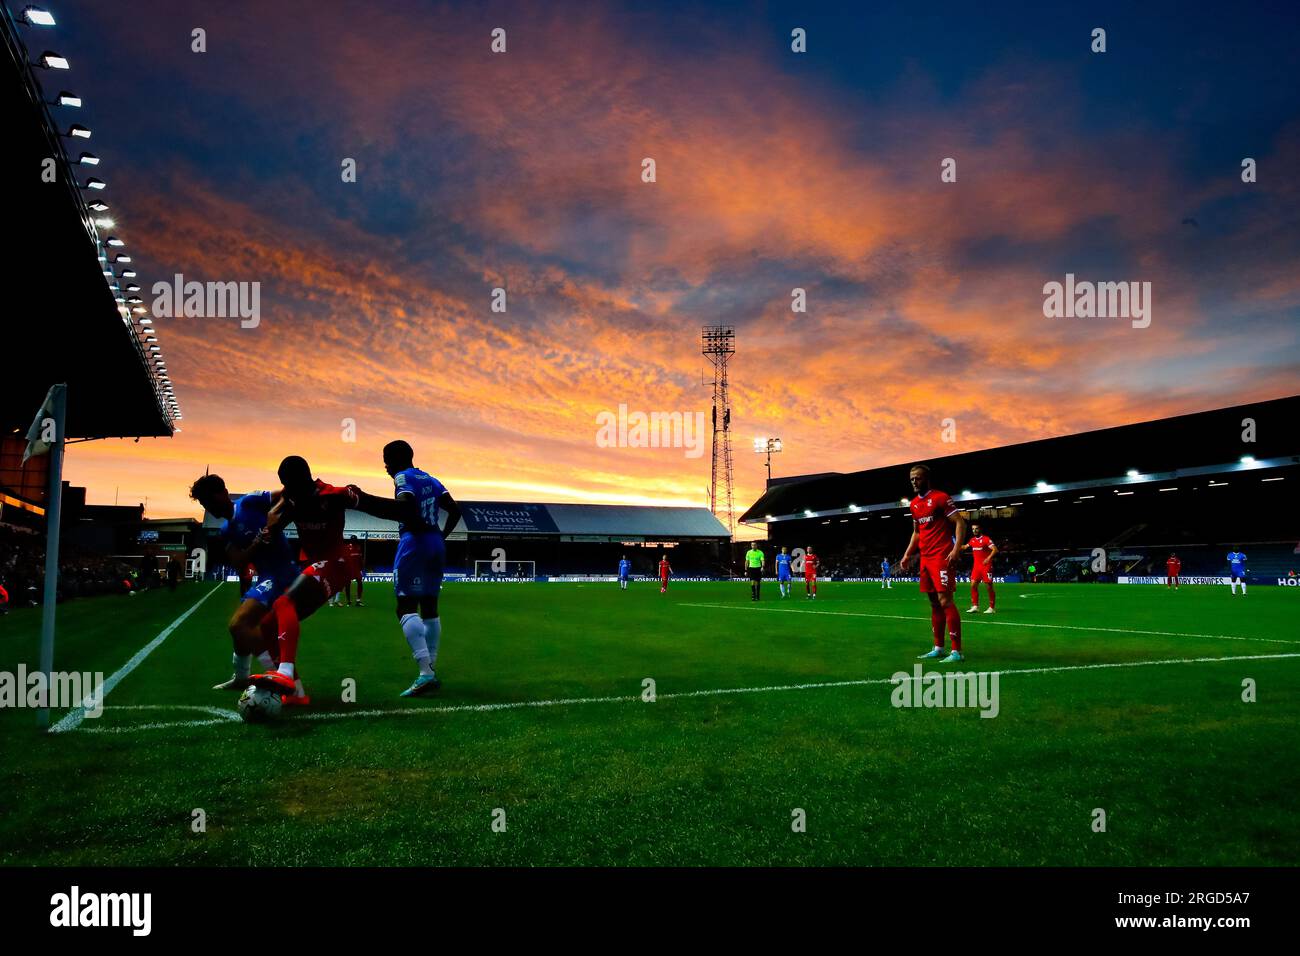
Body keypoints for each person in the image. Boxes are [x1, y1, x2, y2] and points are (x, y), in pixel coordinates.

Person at [349, 440, 462, 697]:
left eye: (386, 460)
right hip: (435, 542)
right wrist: (441, 535)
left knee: (406, 606)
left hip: (415, 542)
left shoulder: (402, 477)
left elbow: (405, 508)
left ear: (396, 459)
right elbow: (454, 510)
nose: (385, 466)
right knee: (430, 606)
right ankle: (430, 669)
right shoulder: (432, 479)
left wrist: (363, 500)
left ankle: (425, 673)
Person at [246, 457, 360, 705]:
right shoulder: (292, 497)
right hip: (314, 565)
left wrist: (357, 494)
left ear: (303, 479)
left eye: (288, 484)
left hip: (337, 563)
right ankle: (297, 694)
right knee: (266, 624)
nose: (285, 489)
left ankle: (284, 672)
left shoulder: (331, 495)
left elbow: (362, 502)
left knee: (283, 603)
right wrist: (271, 523)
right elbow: (278, 514)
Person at [189, 474, 299, 692]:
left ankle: (280, 678)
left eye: (208, 501)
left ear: (222, 493)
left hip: (283, 573)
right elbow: (239, 561)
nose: (208, 507)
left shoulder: (249, 502)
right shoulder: (226, 530)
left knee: (239, 624)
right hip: (267, 576)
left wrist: (274, 516)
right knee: (240, 630)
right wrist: (258, 541)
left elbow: (288, 493)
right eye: (203, 504)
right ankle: (241, 677)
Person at [898, 464, 968, 662]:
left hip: (941, 557)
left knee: (945, 601)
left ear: (926, 479)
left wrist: (955, 549)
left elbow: (960, 523)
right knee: (934, 603)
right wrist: (907, 555)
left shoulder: (941, 497)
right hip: (925, 558)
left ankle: (957, 651)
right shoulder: (913, 505)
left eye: (917, 478)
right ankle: (938, 647)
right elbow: (917, 532)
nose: (914, 481)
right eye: (911, 479)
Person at [964, 523, 998, 614]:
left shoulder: (986, 539)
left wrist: (988, 558)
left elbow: (995, 549)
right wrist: (955, 547)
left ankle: (992, 607)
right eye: (973, 529)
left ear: (980, 529)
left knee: (989, 587)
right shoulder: (972, 540)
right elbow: (964, 547)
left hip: (986, 566)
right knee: (973, 585)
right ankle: (975, 606)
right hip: (976, 567)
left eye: (976, 528)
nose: (974, 530)